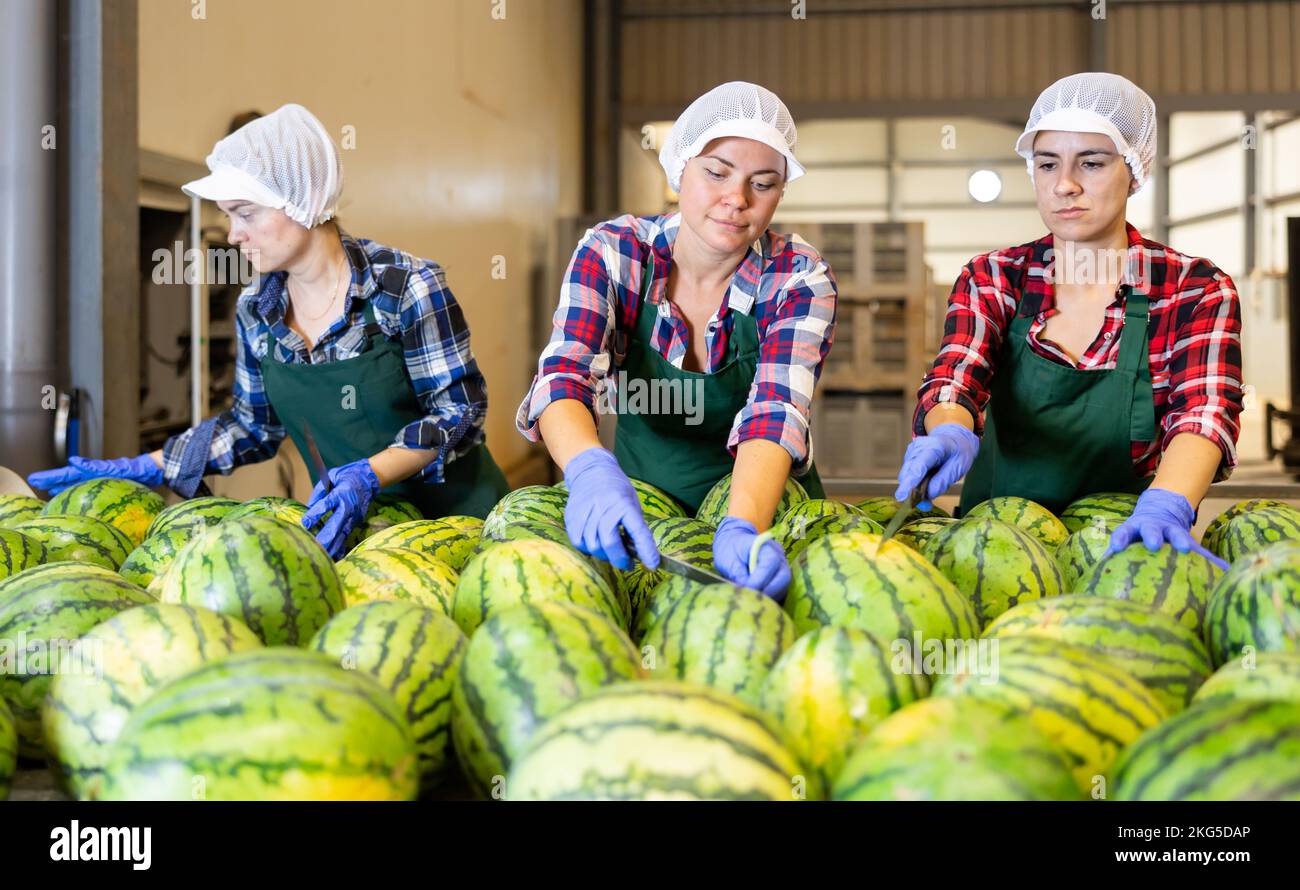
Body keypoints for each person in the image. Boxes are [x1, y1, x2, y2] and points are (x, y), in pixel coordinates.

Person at [29, 103, 508, 557]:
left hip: (462, 524)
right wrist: (147, 465)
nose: (234, 234)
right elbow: (251, 426)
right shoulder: (257, 309)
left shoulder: (405, 286)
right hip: (363, 532)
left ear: (300, 201)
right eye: (229, 216)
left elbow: (459, 411)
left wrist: (371, 473)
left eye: (245, 213)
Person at [895, 73, 1242, 568]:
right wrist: (949, 428)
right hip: (992, 551)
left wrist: (1168, 504)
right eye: (1047, 163)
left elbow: (1203, 414)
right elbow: (957, 376)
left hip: (1125, 547)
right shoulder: (993, 278)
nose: (1065, 185)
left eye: (1092, 163)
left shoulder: (1195, 289)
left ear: (1135, 170)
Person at [517, 82, 838, 600]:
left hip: (761, 504)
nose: (737, 200)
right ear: (679, 167)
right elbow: (565, 375)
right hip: (640, 504)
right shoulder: (615, 252)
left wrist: (743, 528)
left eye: (765, 183)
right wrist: (590, 470)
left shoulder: (798, 277)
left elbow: (777, 410)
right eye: (716, 172)